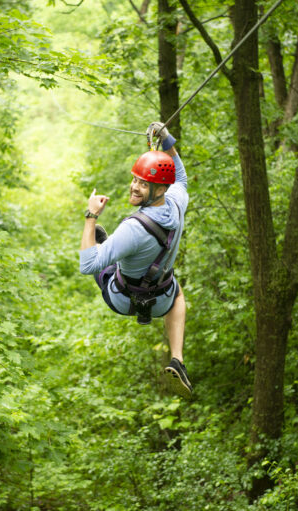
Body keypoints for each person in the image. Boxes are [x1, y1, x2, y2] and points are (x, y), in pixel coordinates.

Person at [79, 122, 192, 398]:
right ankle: (177, 357)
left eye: (144, 184)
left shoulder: (133, 228)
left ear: (159, 188)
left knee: (100, 260)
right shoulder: (176, 201)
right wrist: (167, 140)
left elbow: (86, 265)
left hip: (123, 298)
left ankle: (103, 242)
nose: (135, 187)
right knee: (177, 293)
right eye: (136, 179)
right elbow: (181, 178)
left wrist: (91, 215)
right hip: (162, 299)